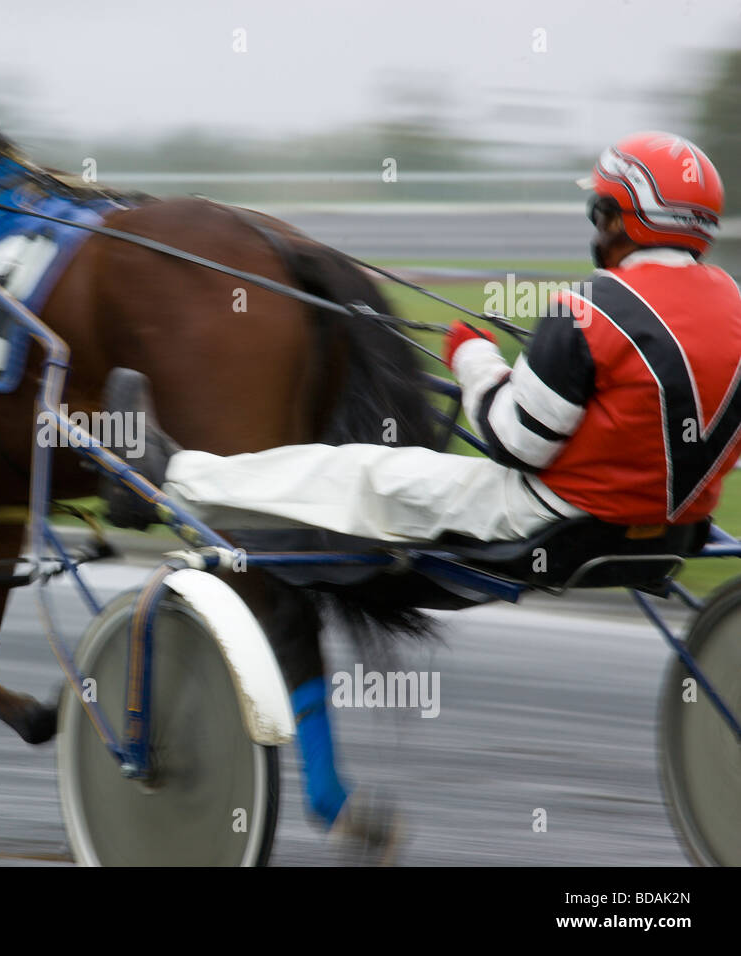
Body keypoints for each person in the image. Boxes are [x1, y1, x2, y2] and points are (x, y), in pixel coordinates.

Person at [98, 131, 739, 858]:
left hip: (544, 521)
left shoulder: (592, 309)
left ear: (620, 217)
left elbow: (513, 437)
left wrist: (474, 358)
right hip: (672, 532)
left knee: (356, 472)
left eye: (601, 213)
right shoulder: (736, 309)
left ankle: (165, 479)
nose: (597, 228)